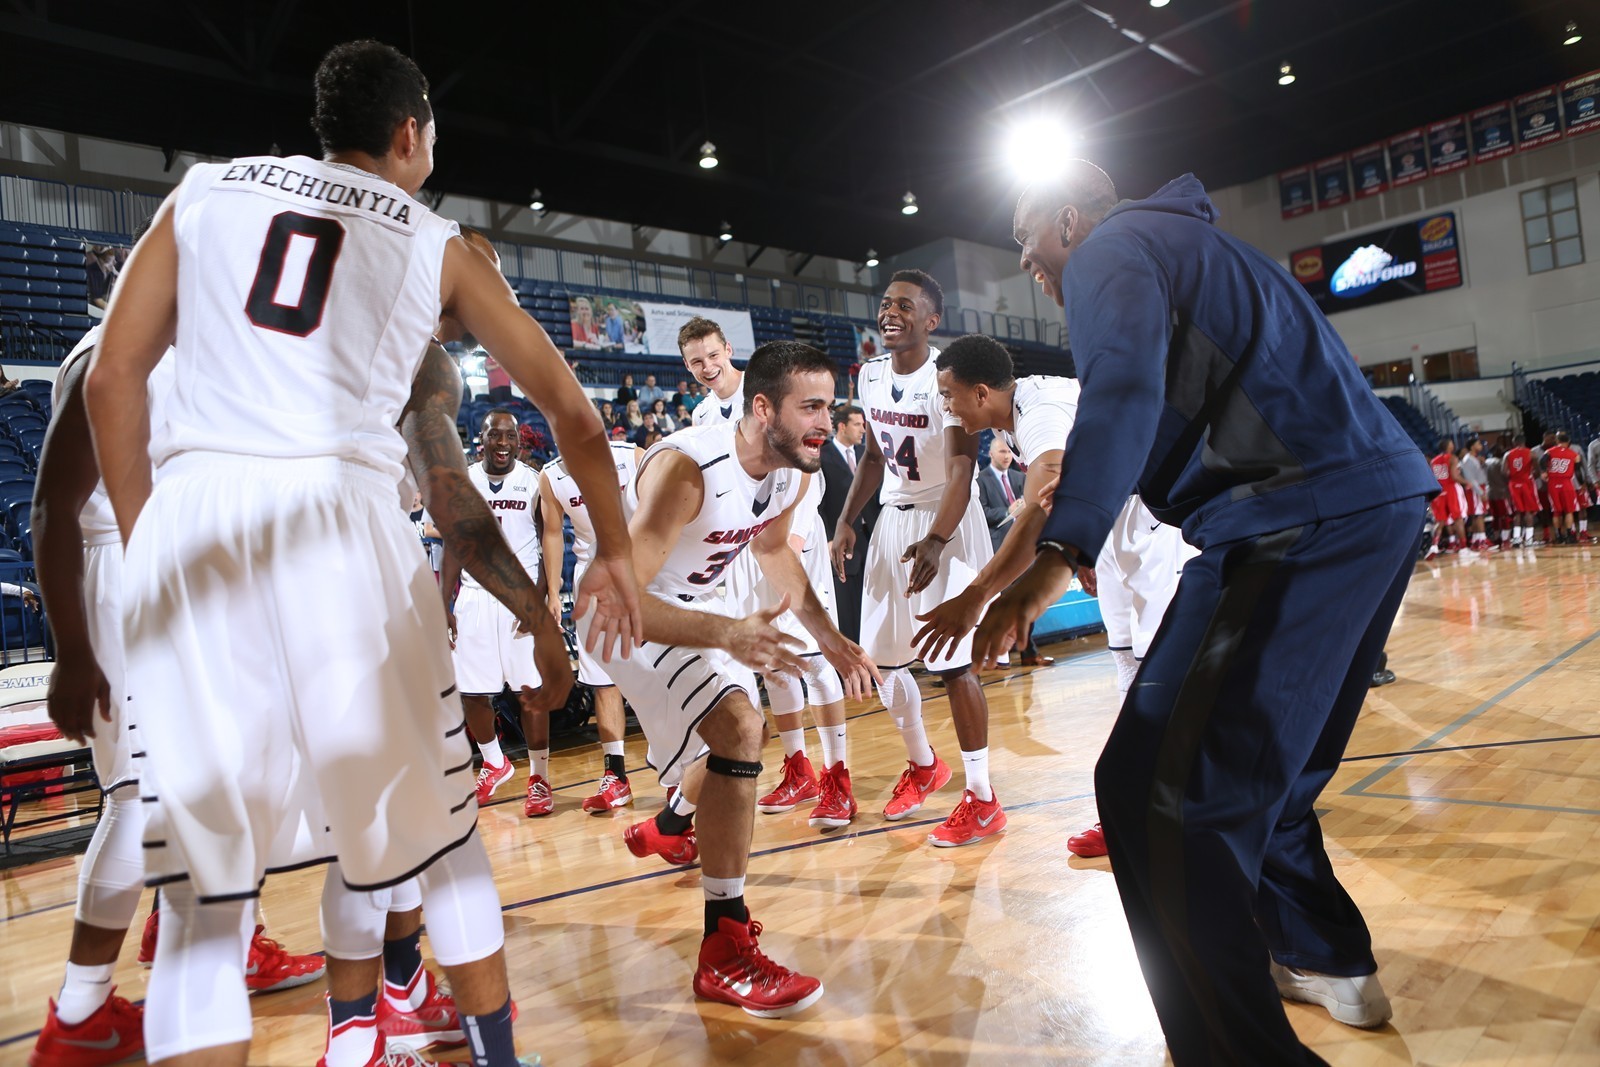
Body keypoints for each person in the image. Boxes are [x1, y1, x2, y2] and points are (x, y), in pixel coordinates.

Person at [84, 40, 640, 1067]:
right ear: (410, 134)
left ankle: (350, 1030)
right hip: (339, 518)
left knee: (204, 898)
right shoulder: (441, 243)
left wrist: (151, 535)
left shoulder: (202, 190)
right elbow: (576, 416)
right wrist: (611, 549)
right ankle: (482, 1050)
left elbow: (111, 380)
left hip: (191, 515)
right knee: (438, 835)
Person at [974, 161, 1437, 1064]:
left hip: (1290, 513)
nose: (1036, 271)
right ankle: (1322, 954)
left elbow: (1122, 395)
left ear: (1071, 219)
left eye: (1034, 252)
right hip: (1377, 503)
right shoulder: (1210, 246)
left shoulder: (1112, 248)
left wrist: (1058, 557)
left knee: (1152, 797)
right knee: (1270, 776)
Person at [592, 341, 877, 1016]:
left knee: (733, 744)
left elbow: (774, 550)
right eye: (810, 406)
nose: (824, 421)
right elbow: (621, 591)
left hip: (697, 610)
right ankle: (723, 946)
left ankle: (669, 823)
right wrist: (727, 633)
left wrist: (832, 642)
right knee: (741, 724)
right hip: (627, 614)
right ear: (761, 408)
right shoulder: (692, 468)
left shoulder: (791, 473)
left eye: (829, 406)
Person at [830, 270, 1004, 847]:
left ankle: (982, 798)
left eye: (905, 305)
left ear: (931, 320)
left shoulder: (947, 379)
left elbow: (961, 470)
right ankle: (924, 764)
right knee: (883, 660)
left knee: (952, 663)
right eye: (884, 304)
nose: (889, 313)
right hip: (893, 517)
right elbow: (875, 457)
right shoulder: (871, 373)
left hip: (945, 519)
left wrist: (937, 538)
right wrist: (848, 520)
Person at [440, 409, 555, 817]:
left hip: (519, 597)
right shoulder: (465, 481)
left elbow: (549, 544)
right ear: (481, 439)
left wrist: (540, 597)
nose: (502, 444)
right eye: (495, 436)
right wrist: (444, 602)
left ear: (519, 443)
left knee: (530, 694)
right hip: (473, 595)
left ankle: (539, 778)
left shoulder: (534, 482)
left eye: (510, 437)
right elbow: (454, 543)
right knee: (470, 692)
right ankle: (494, 761)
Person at [540, 437, 644, 813]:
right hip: (591, 578)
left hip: (643, 569)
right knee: (603, 680)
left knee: (661, 674)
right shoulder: (551, 477)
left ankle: (677, 769)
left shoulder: (628, 456)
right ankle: (615, 775)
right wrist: (554, 590)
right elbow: (553, 533)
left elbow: (666, 504)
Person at [974, 436, 1053, 667]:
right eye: (1001, 452)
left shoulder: (1021, 477)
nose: (1006, 456)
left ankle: (1027, 651)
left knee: (1027, 599)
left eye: (1009, 452)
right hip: (998, 547)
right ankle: (1001, 652)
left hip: (1026, 546)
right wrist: (1005, 511)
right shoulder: (981, 480)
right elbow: (982, 512)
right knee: (1003, 601)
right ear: (991, 454)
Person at [819, 404, 876, 643]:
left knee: (871, 600)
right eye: (857, 424)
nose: (863, 429)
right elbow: (819, 502)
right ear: (841, 426)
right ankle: (850, 657)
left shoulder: (868, 454)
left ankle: (874, 654)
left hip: (869, 536)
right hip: (840, 539)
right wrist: (828, 536)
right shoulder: (823, 455)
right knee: (846, 602)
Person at [1424, 438, 1469, 559]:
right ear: (1449, 446)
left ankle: (1434, 546)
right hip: (1451, 490)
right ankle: (1464, 549)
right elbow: (1454, 476)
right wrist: (1467, 482)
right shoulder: (1452, 458)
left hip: (1439, 491)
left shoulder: (1434, 460)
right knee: (1458, 519)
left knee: (1440, 521)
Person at [1543, 430, 1581, 544]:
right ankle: (1570, 535)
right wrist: (1582, 483)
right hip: (1566, 483)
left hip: (1553, 483)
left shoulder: (1549, 451)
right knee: (1569, 511)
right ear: (1568, 441)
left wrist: (1544, 472)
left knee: (1556, 511)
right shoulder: (1574, 454)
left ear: (1557, 440)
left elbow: (1541, 462)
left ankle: (1559, 535)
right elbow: (1578, 472)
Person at [1458, 436, 1493, 551]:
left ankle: (1476, 540)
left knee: (1477, 514)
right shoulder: (1468, 459)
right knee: (1479, 515)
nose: (1481, 446)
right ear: (1472, 446)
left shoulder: (1474, 458)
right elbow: (1470, 478)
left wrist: (1482, 464)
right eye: (1478, 444)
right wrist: (1481, 492)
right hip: (1475, 489)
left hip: (1477, 487)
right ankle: (1482, 540)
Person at [1505, 434, 1540, 547]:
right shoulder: (1531, 453)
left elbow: (1503, 472)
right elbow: (1537, 470)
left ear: (1514, 443)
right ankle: (1529, 539)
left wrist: (1513, 476)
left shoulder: (1508, 454)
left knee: (1518, 512)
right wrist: (1531, 475)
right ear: (1524, 442)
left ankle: (1516, 539)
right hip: (1526, 482)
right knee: (1528, 511)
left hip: (1514, 484)